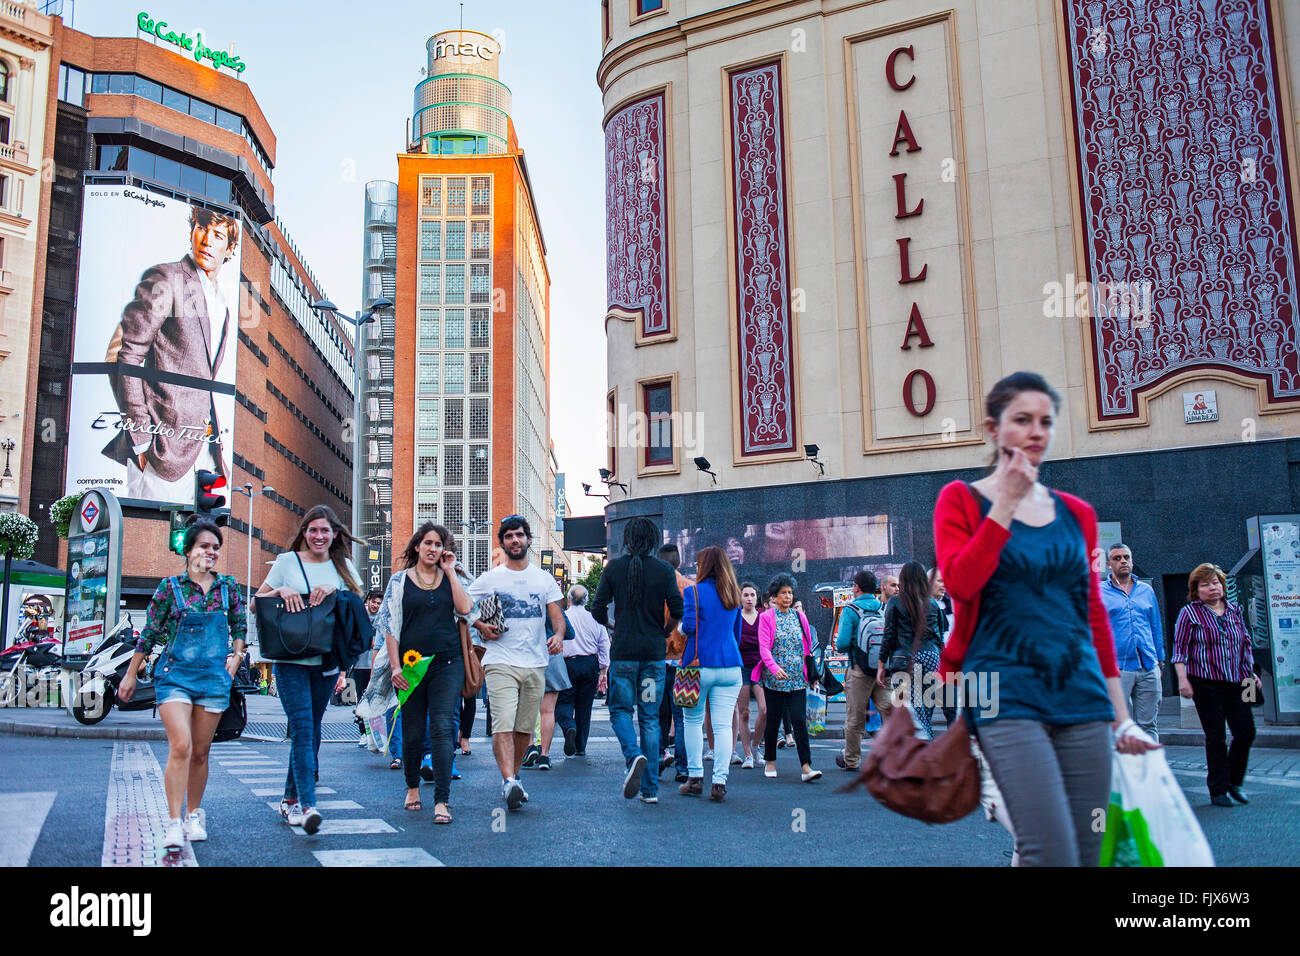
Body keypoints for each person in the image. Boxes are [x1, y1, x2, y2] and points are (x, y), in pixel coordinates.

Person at [934, 371, 1158, 867]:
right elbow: (962, 583)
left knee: (1090, 849)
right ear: (993, 430)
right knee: (1048, 850)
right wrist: (1008, 503)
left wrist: (1123, 718)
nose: (1036, 431)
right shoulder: (961, 500)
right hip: (1004, 691)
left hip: (1081, 692)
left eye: (1045, 421)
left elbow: (1093, 615)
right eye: (1022, 420)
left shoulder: (1075, 512)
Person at [119, 519, 245, 851]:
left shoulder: (228, 587)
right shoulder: (169, 588)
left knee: (201, 753)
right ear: (188, 550)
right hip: (175, 676)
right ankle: (174, 823)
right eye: (204, 546)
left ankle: (193, 815)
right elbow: (149, 633)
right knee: (181, 747)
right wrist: (131, 673)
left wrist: (236, 656)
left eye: (215, 547)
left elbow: (239, 625)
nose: (211, 552)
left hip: (214, 679)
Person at [102, 206, 239, 501]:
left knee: (195, 543)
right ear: (192, 232)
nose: (206, 241)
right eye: (201, 229)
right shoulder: (167, 277)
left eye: (217, 235)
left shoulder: (222, 302)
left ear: (230, 249)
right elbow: (127, 356)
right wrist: (141, 438)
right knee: (151, 539)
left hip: (205, 453)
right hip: (161, 450)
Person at [256, 505, 362, 836]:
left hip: (327, 662)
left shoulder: (343, 567)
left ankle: (288, 800)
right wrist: (280, 590)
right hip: (289, 661)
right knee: (302, 729)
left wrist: (335, 590)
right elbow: (256, 601)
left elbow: (361, 604)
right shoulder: (287, 563)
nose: (318, 536)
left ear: (334, 535)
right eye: (313, 530)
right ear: (304, 532)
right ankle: (307, 805)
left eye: (325, 531)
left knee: (311, 730)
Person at [372, 523, 473, 824]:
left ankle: (442, 800)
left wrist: (452, 571)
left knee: (443, 727)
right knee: (414, 731)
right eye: (428, 543)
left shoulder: (450, 578)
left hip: (448, 663)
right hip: (411, 666)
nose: (433, 548)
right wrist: (394, 667)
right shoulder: (399, 581)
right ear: (417, 546)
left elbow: (465, 608)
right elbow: (391, 625)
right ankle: (412, 786)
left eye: (438, 544)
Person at [469, 516, 565, 811]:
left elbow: (556, 615)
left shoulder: (543, 578)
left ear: (528, 540)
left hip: (536, 662)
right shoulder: (490, 578)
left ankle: (515, 777)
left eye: (519, 535)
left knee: (524, 728)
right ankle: (509, 779)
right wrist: (480, 627)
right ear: (502, 542)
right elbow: (461, 605)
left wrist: (559, 635)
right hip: (499, 661)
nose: (514, 540)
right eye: (509, 536)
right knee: (503, 723)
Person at [592, 518, 684, 803]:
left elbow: (597, 608)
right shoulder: (664, 570)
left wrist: (613, 627)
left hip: (624, 656)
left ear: (629, 539)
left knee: (620, 711)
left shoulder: (614, 568)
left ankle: (633, 755)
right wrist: (664, 632)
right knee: (650, 717)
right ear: (654, 539)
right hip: (653, 657)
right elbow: (678, 610)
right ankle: (650, 790)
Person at [1172, 563, 1258, 807]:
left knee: (1246, 731)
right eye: (1205, 584)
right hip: (1205, 683)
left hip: (1237, 680)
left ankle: (1234, 781)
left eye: (1216, 582)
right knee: (1216, 736)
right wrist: (1182, 680)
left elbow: (1245, 644)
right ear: (1196, 590)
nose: (1212, 588)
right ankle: (1218, 790)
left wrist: (1251, 673)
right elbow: (1179, 650)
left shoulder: (1234, 610)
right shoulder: (1189, 613)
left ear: (1223, 584)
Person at [677, 547, 744, 801]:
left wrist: (682, 630)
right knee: (723, 725)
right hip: (730, 666)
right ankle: (720, 782)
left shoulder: (693, 591)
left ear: (703, 566)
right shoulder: (733, 595)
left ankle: (695, 778)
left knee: (693, 722)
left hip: (698, 665)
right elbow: (736, 635)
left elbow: (690, 626)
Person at [755, 573, 822, 782]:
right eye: (783, 593)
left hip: (797, 678)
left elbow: (808, 647)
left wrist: (812, 674)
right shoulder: (766, 617)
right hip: (774, 679)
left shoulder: (799, 616)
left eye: (790, 593)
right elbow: (764, 648)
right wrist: (774, 668)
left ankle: (806, 767)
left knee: (799, 720)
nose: (788, 596)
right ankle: (770, 761)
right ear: (774, 596)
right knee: (773, 720)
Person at [1101, 543, 1164, 741]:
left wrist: (1159, 660)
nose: (1123, 561)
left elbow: (1155, 626)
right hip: (1118, 667)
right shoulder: (1099, 592)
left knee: (1148, 724)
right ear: (1109, 564)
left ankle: (1150, 769)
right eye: (1117, 558)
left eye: (1126, 557)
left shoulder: (1146, 591)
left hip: (1148, 664)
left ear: (1132, 560)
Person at [876, 561, 945, 739]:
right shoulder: (933, 603)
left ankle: (923, 748)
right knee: (926, 706)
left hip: (906, 658)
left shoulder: (895, 602)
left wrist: (881, 665)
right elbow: (939, 636)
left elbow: (889, 635)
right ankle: (925, 741)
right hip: (932, 658)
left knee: (913, 707)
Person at [834, 570, 893, 771]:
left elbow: (841, 643)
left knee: (855, 717)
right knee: (889, 712)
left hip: (858, 670)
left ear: (856, 587)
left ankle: (851, 761)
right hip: (883, 670)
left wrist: (854, 645)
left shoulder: (850, 610)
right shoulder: (884, 608)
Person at [556, 584, 610, 758]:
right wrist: (603, 669)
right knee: (584, 707)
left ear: (569, 599)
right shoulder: (594, 618)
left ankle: (568, 726)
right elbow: (604, 644)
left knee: (563, 702)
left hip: (567, 664)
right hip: (589, 663)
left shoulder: (562, 617)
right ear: (586, 600)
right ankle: (580, 746)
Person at [657, 543, 692, 782]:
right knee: (682, 719)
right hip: (685, 662)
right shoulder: (691, 588)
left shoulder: (653, 588)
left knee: (656, 715)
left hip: (657, 660)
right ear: (679, 562)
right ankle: (683, 767)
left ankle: (658, 757)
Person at [530, 609, 575, 770]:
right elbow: (569, 632)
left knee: (526, 708)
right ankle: (544, 755)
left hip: (527, 655)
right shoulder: (551, 604)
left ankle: (529, 746)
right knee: (548, 711)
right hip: (551, 655)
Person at [733, 581, 766, 768]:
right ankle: (747, 755)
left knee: (764, 710)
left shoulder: (763, 617)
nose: (749, 598)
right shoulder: (736, 616)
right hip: (741, 668)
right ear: (740, 597)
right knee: (744, 712)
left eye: (752, 595)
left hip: (760, 667)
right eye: (745, 595)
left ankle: (755, 746)